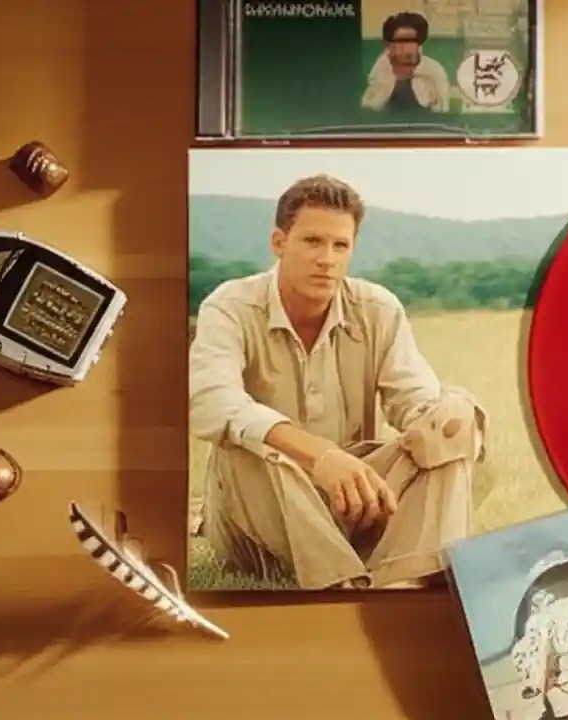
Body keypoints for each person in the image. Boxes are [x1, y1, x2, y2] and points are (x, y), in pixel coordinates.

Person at [188, 174, 486, 590]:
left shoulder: (378, 308)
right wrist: (320, 456)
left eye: (340, 245)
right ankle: (343, 585)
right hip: (257, 514)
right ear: (279, 242)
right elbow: (210, 402)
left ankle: (407, 579)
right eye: (312, 241)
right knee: (247, 441)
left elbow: (412, 398)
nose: (326, 259)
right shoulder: (230, 306)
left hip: (354, 503)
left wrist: (441, 418)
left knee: (453, 421)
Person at [361, 11, 450, 113]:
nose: (406, 47)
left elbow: (443, 109)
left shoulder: (433, 70)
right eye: (400, 41)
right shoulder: (382, 65)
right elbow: (369, 105)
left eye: (411, 41)